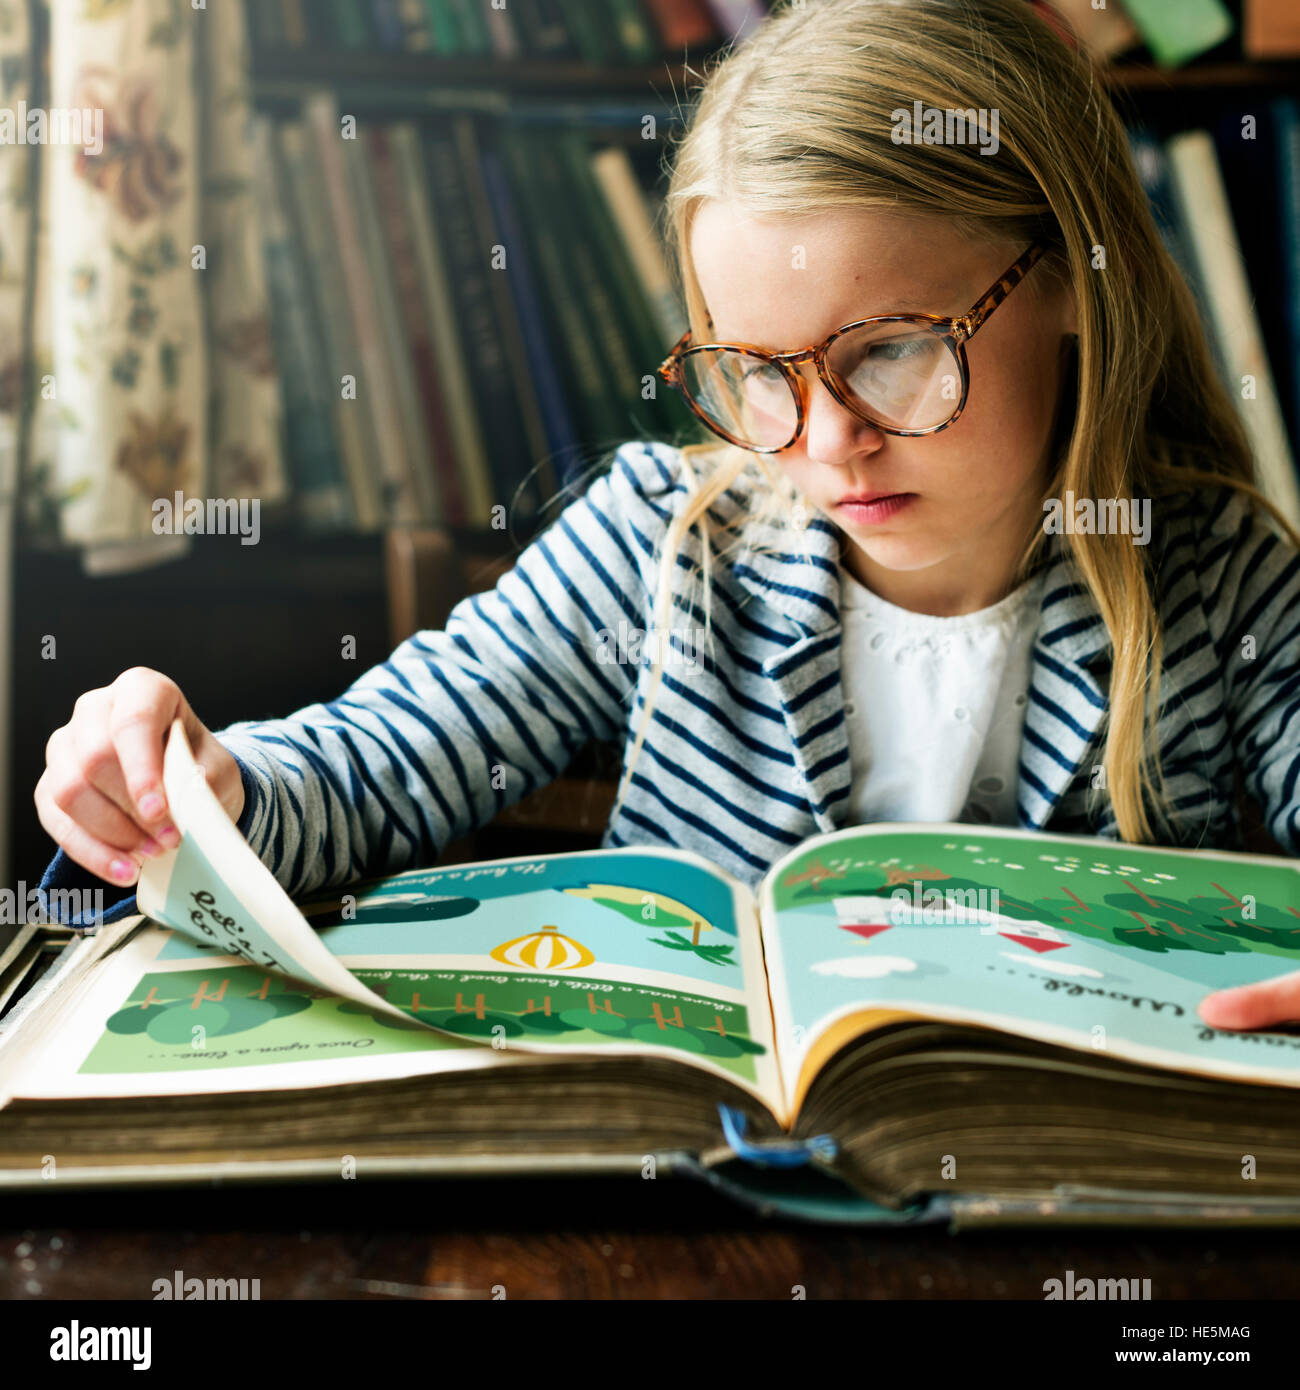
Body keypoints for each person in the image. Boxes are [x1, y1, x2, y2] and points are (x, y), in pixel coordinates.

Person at [34, 0, 1300, 1030]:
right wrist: (200, 789)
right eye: (756, 373)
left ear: (1074, 275)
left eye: (895, 350)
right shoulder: (657, 550)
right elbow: (371, 773)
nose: (826, 439)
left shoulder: (1218, 577)